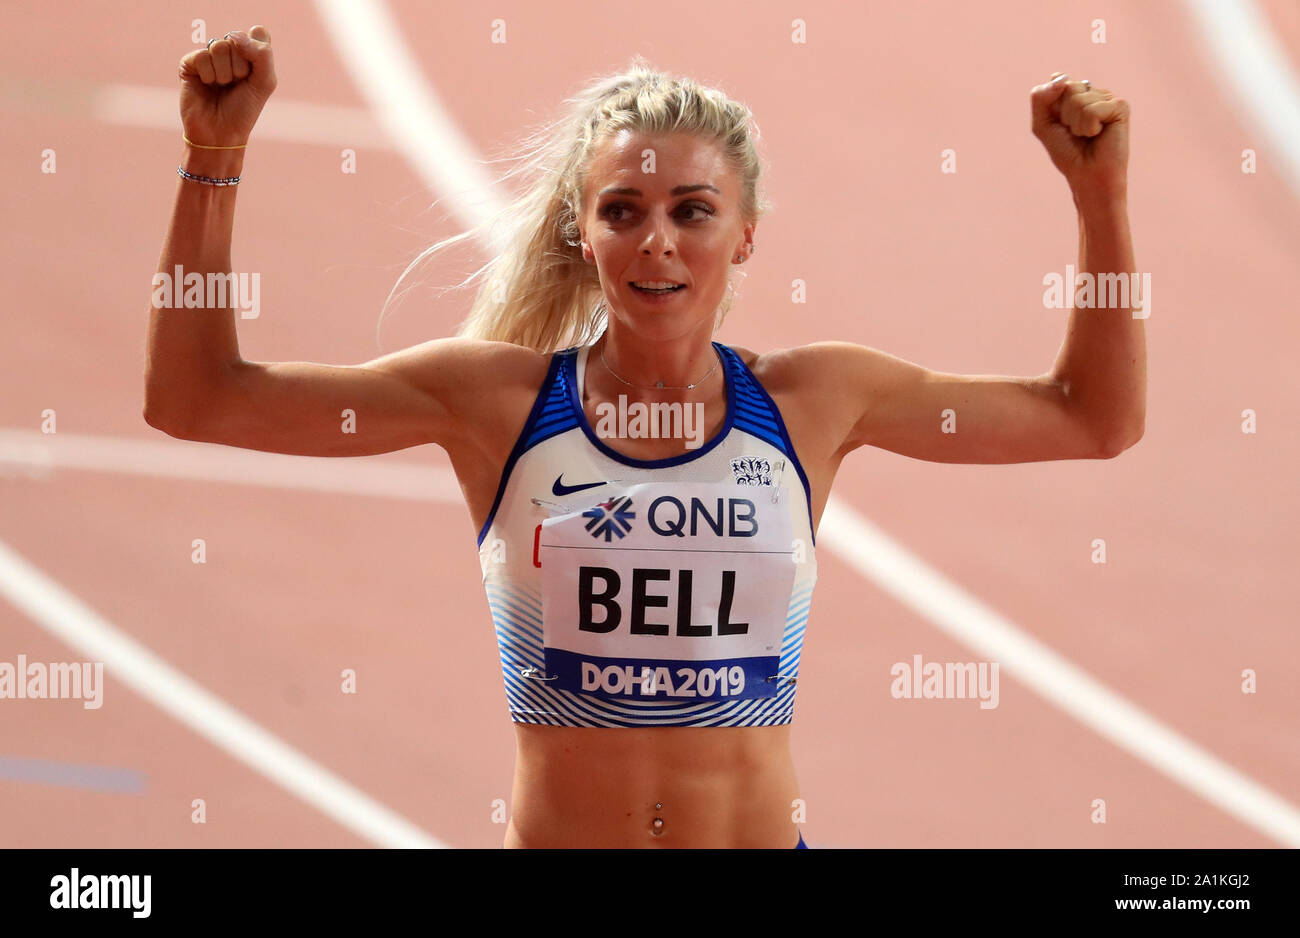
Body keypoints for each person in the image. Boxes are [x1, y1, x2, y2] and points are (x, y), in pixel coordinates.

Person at [146, 25, 1145, 849]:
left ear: (745, 233)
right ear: (583, 233)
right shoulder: (492, 402)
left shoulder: (816, 401)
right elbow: (199, 399)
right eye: (623, 210)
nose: (657, 239)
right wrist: (214, 159)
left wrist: (1099, 200)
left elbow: (1090, 418)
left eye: (692, 211)